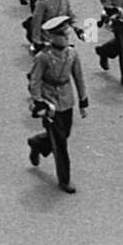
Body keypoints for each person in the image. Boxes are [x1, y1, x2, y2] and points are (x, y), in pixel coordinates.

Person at [27, 15, 89, 193]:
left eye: (66, 34)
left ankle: (37, 143)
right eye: (61, 35)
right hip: (50, 103)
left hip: (66, 99)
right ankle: (64, 179)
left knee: (65, 133)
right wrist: (38, 102)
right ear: (52, 37)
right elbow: (35, 80)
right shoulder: (43, 57)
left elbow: (78, 77)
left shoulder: (72, 53)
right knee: (60, 142)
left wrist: (83, 101)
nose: (65, 38)